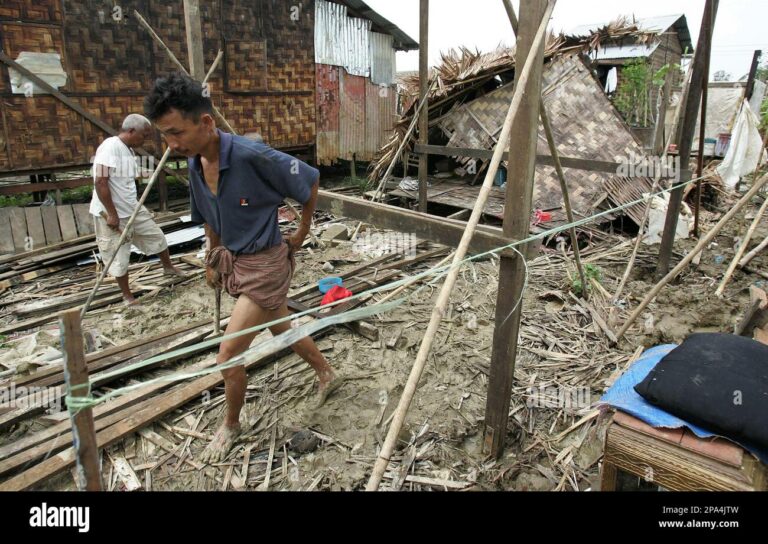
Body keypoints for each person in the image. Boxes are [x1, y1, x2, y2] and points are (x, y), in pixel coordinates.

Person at [144, 73, 342, 463]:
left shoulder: (254, 156)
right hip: (235, 262)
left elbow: (311, 180)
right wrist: (212, 257)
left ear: (205, 122)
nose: (171, 144)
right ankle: (327, 372)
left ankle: (231, 424)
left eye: (176, 132)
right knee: (281, 326)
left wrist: (301, 231)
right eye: (164, 135)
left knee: (228, 357)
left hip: (266, 266)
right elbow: (210, 218)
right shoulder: (196, 165)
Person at [90, 114, 183, 305]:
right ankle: (127, 295)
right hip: (111, 213)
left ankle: (168, 267)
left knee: (156, 236)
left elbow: (122, 180)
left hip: (131, 209)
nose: (145, 139)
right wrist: (113, 214)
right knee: (118, 255)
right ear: (131, 131)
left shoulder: (128, 150)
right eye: (144, 135)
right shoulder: (110, 147)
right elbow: (100, 181)